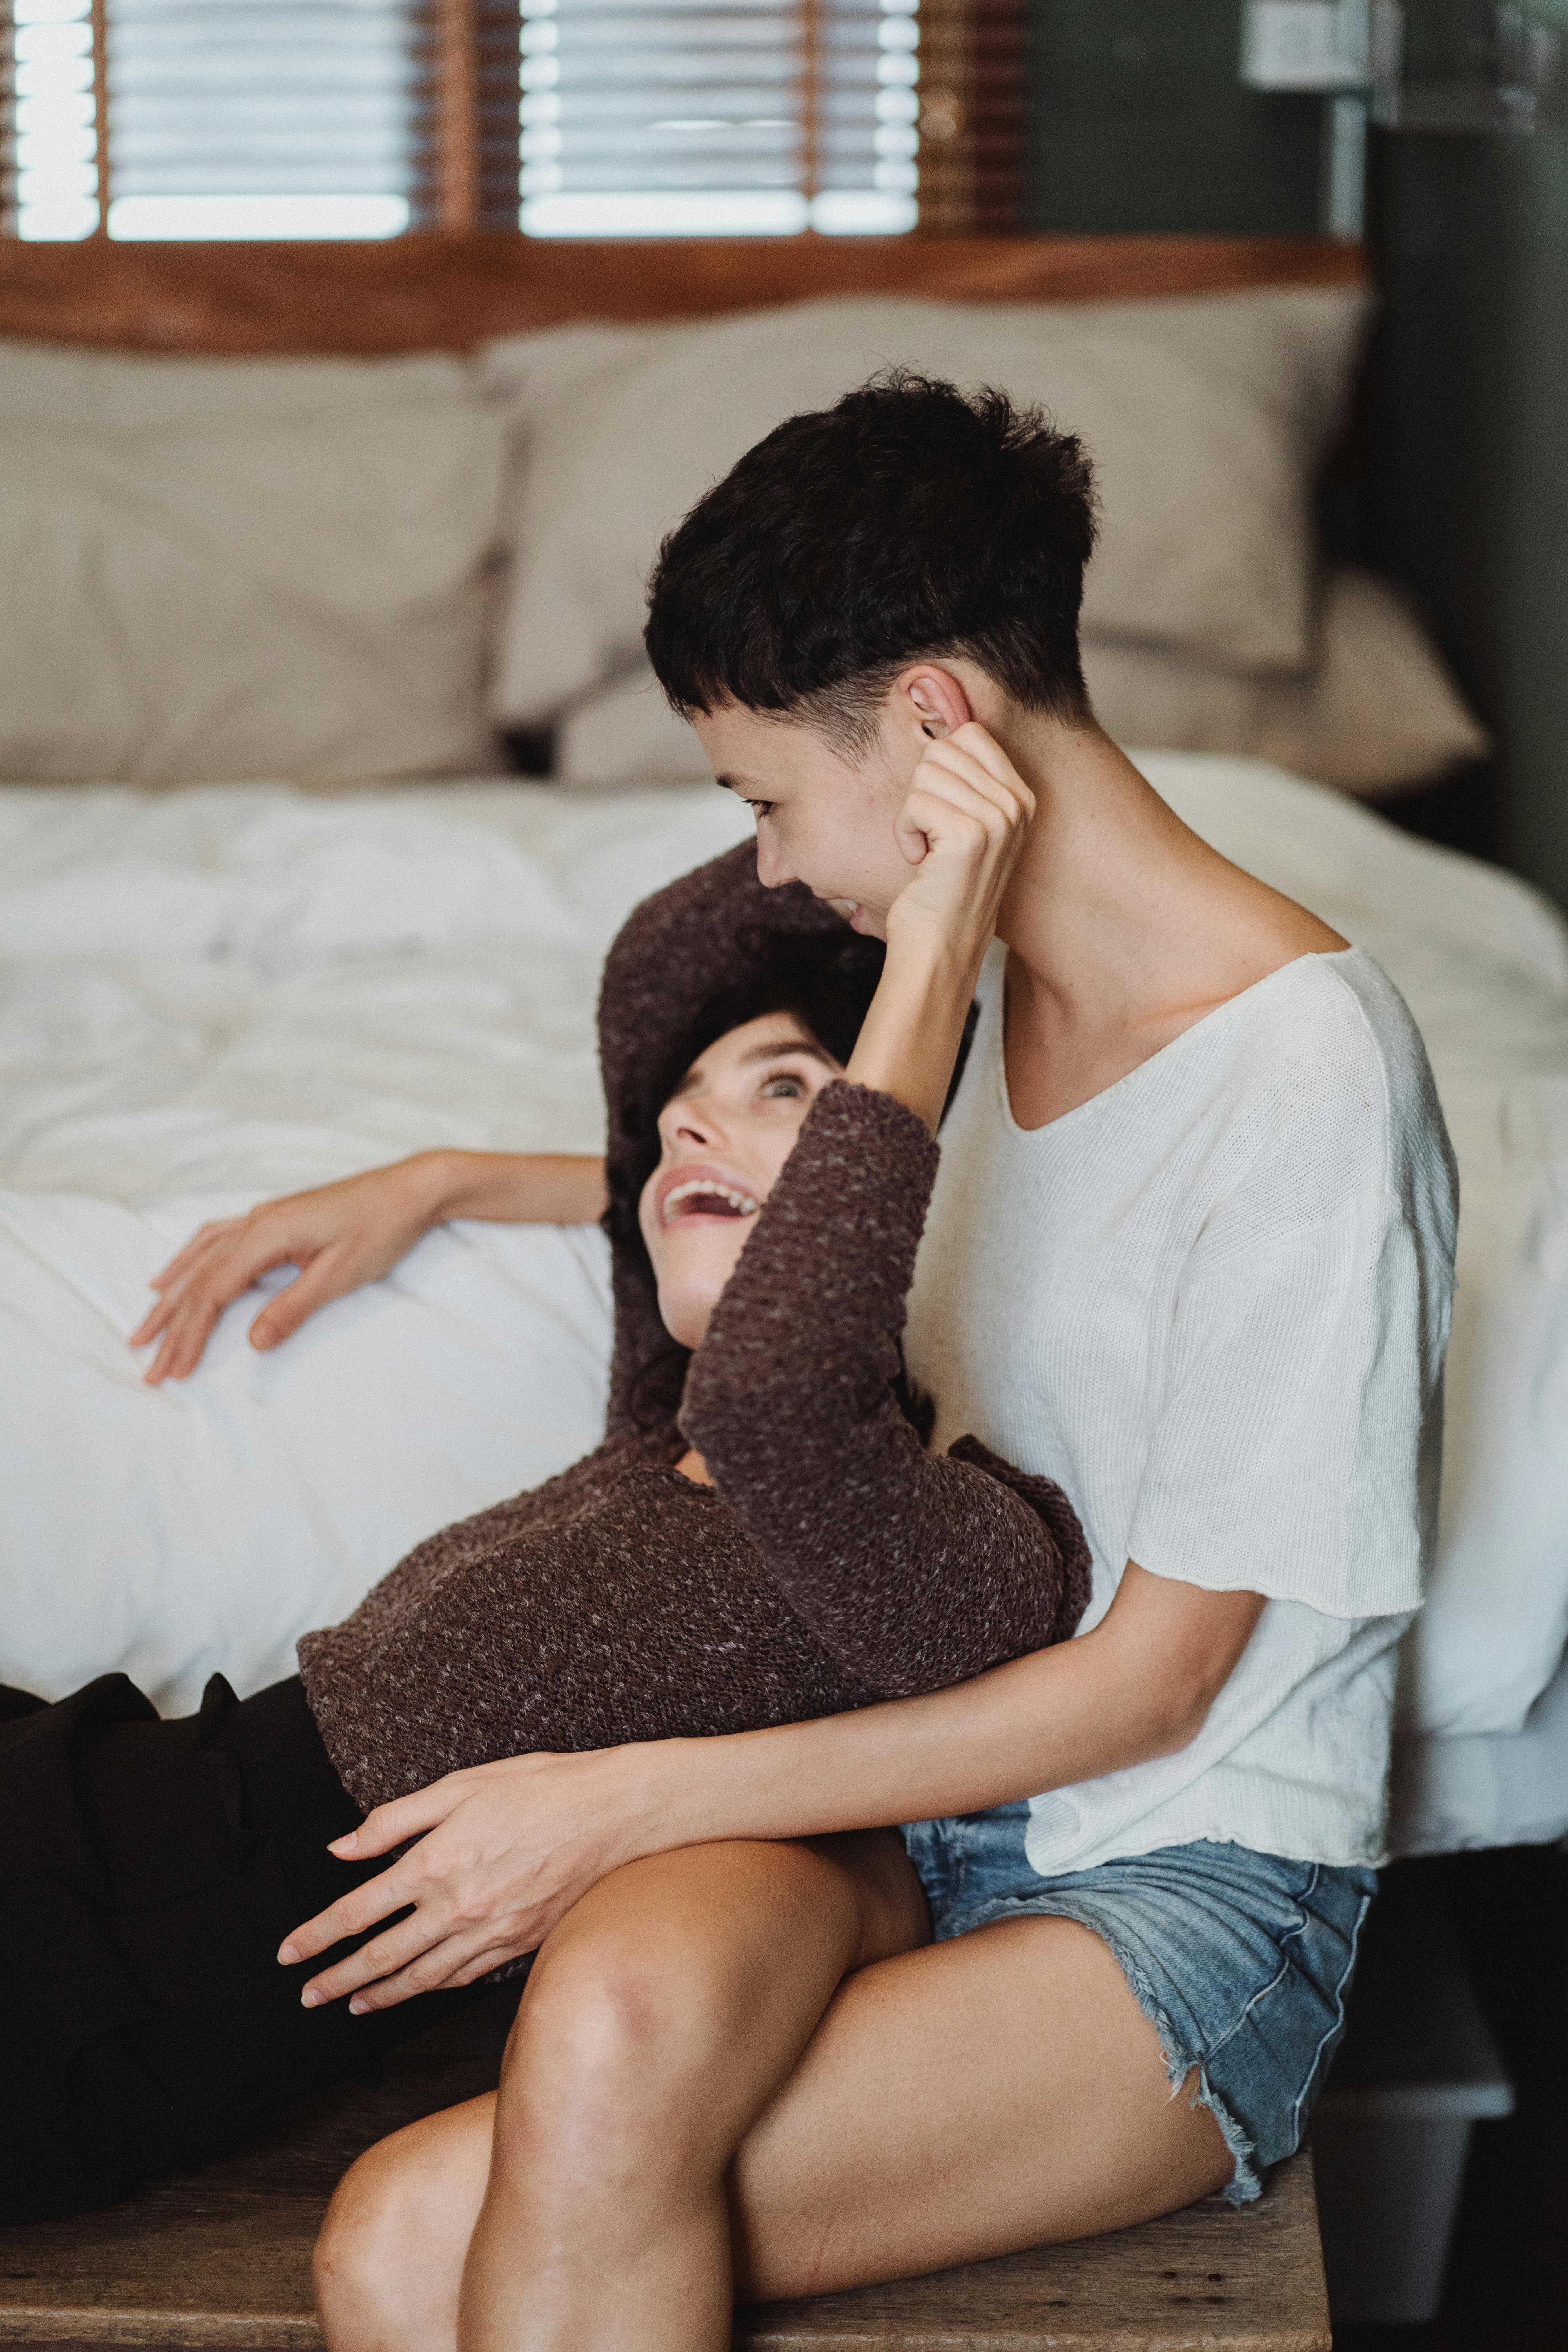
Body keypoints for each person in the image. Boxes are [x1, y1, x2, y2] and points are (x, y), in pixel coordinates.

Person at [133, 374, 1457, 2352]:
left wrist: (623, 1799)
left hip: (1164, 1902)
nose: (761, 870)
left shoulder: (1303, 1082)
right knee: (527, 2096)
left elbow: (1154, 1685)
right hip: (903, 1810)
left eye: (764, 799)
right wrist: (471, 1181)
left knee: (411, 2251)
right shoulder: (983, 983)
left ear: (936, 722)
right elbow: (880, 1209)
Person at [0, 907, 1091, 2228]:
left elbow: (797, 1385)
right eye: (695, 1106)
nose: (683, 1128)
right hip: (108, 1797)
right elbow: (663, 974)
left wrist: (944, 928)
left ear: (909, 1177)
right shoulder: (669, 1433)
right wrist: (439, 1178)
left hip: (139, 1962)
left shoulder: (936, 1538)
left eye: (789, 1091)